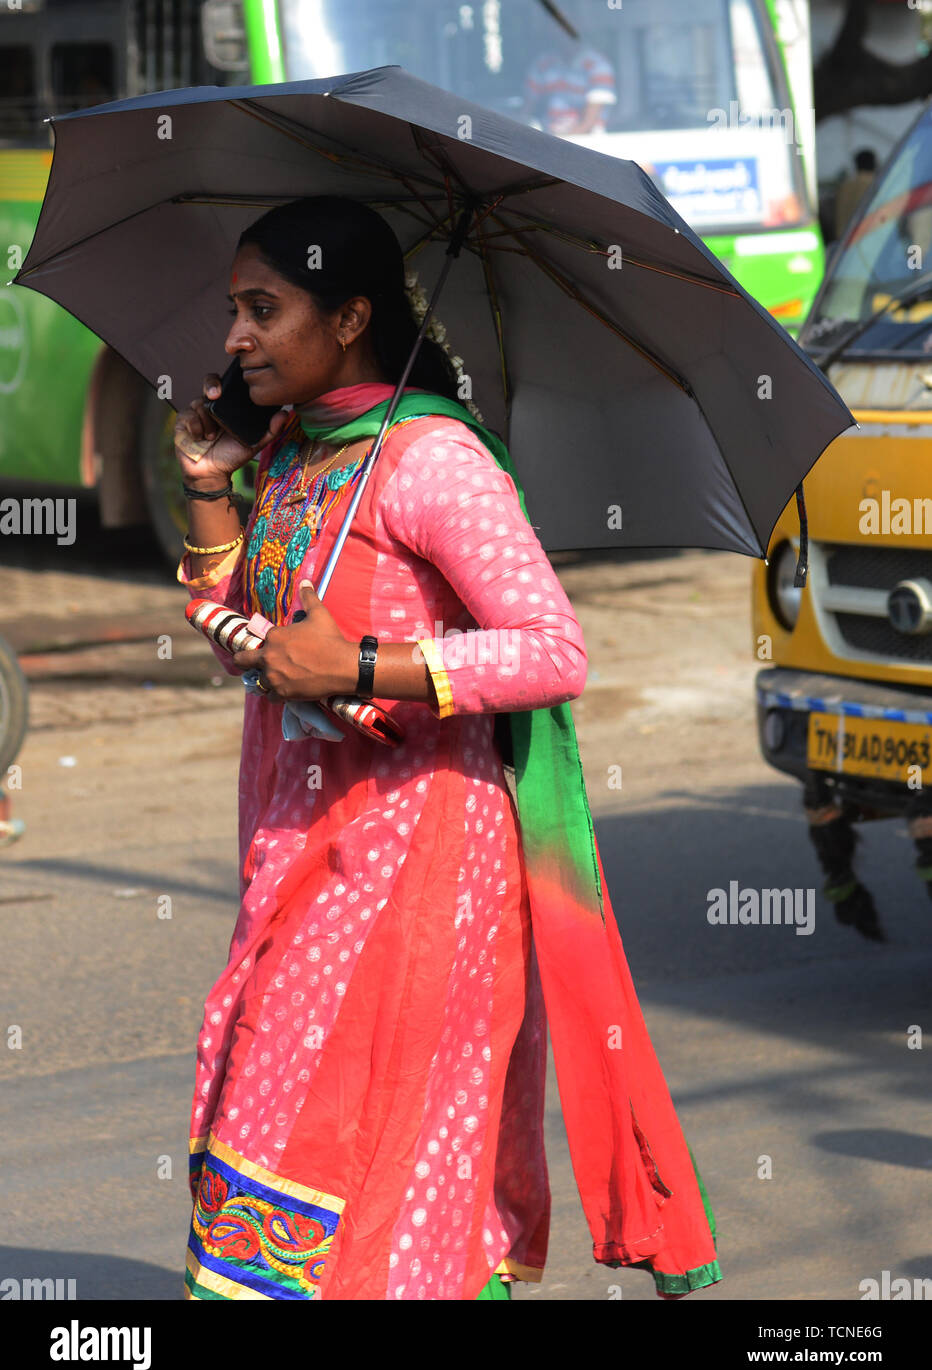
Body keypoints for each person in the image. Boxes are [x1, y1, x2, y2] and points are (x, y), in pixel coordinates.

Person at [174, 195, 720, 1301]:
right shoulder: (290, 452)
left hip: (413, 860)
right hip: (295, 850)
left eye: (262, 309)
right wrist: (208, 487)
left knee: (341, 1146)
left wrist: (366, 668)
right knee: (281, 1132)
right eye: (234, 310)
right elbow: (251, 632)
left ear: (350, 316)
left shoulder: (431, 461)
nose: (233, 337)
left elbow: (553, 650)